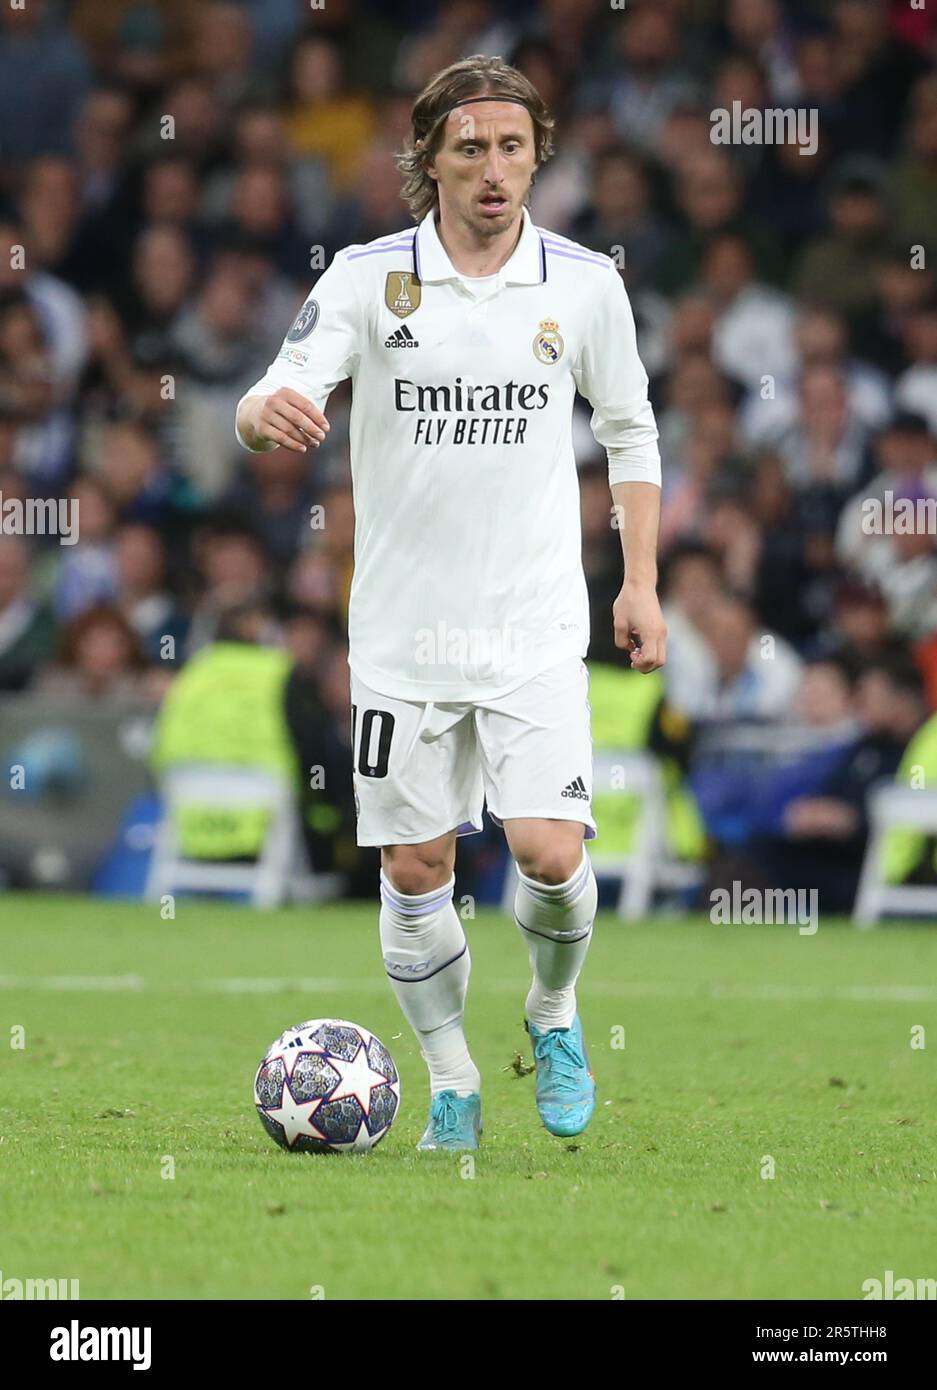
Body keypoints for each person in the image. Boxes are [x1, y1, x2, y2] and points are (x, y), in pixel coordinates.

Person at [235, 55, 664, 1151]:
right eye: (469, 147)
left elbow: (629, 430)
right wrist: (264, 417)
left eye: (512, 147)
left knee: (551, 851)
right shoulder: (369, 278)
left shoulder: (582, 283)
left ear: (537, 156)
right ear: (426, 158)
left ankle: (553, 1011)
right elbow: (271, 390)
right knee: (416, 867)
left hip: (530, 620)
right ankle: (453, 1078)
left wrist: (644, 585)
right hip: (401, 633)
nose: (492, 169)